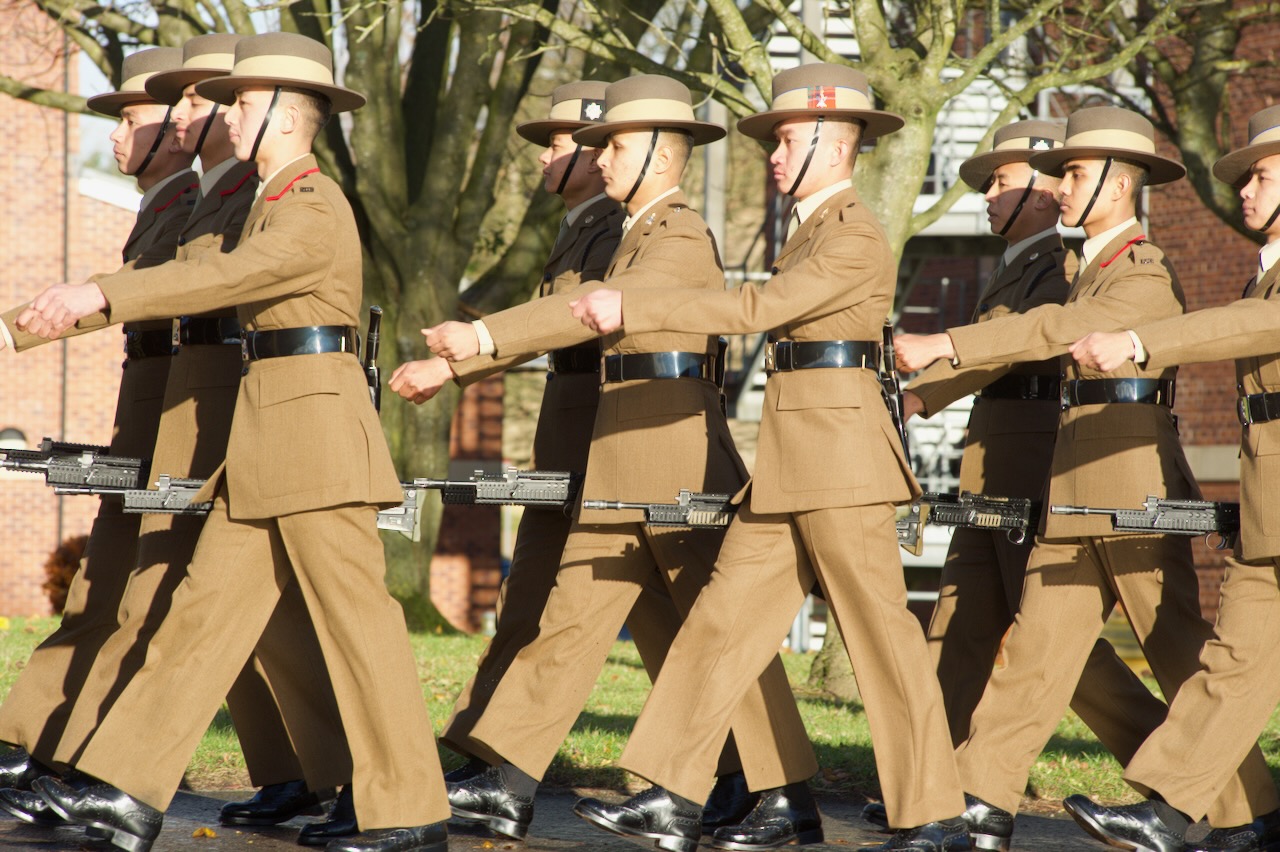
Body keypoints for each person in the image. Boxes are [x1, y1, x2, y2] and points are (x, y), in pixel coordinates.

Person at [9, 32, 450, 852]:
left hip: (314, 441)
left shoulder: (313, 204)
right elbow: (194, 270)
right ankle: (126, 790)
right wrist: (25, 327)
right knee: (197, 616)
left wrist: (92, 293)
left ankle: (410, 808)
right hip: (264, 441)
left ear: (286, 112)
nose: (227, 111)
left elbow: (223, 279)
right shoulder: (263, 204)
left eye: (243, 100)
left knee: (362, 629)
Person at [568, 63, 973, 852]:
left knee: (881, 640)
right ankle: (669, 795)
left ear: (833, 139)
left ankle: (936, 814)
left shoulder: (854, 232)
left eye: (786, 139)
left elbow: (762, 308)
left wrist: (638, 305)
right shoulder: (812, 230)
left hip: (846, 464)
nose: (774, 155)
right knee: (719, 622)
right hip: (791, 466)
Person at [419, 74, 819, 851]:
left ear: (664, 159)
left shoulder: (678, 234)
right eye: (599, 147)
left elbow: (586, 310)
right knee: (571, 621)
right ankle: (508, 783)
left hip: (673, 454)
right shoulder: (636, 231)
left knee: (715, 630)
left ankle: (781, 790)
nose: (601, 159)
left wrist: (482, 339)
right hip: (622, 449)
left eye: (619, 147)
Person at [892, 105, 1280, 852]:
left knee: (1182, 648)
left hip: (1131, 484)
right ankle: (980, 797)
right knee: (1038, 648)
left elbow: (1047, 333)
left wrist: (944, 344)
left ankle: (1240, 810)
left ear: (1118, 180)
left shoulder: (1141, 270)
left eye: (1073, 172)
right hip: (1079, 478)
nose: (1059, 186)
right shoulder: (1092, 273)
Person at [860, 119, 1181, 835]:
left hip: (1035, 464)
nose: (988, 197)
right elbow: (990, 360)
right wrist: (921, 396)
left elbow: (1021, 346)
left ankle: (1180, 768)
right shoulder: (1018, 267)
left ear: (1044, 193)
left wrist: (934, 367)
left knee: (1047, 641)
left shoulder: (1067, 271)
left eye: (1002, 183)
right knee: (962, 624)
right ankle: (936, 778)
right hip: (993, 455)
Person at [1060, 103, 1280, 852]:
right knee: (1231, 664)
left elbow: (1247, 330)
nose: (1246, 191)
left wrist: (1138, 337)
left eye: (1262, 175)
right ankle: (1177, 812)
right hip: (1267, 509)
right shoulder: (1264, 279)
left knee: (1235, 664)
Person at [0, 44, 199, 801]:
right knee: (106, 581)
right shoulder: (165, 201)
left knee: (156, 593)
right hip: (149, 396)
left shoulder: (192, 201)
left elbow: (137, 292)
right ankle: (39, 740)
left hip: (183, 406)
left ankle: (91, 755)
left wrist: (15, 327)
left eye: (133, 120)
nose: (116, 135)